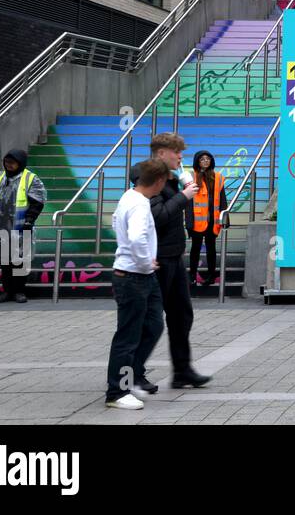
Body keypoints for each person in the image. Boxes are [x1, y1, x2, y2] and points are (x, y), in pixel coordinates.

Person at [130, 133, 211, 389]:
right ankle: (133, 372)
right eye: (177, 152)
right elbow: (157, 216)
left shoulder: (171, 179)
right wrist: (183, 196)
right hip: (157, 260)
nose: (181, 157)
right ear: (161, 153)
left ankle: (182, 370)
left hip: (174, 257)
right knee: (150, 320)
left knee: (182, 315)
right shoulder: (146, 177)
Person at [106, 158, 169, 410]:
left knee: (153, 324)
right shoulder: (139, 205)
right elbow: (136, 237)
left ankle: (129, 378)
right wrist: (145, 263)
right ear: (159, 181)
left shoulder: (130, 198)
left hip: (140, 276)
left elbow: (115, 223)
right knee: (128, 335)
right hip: (133, 275)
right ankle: (117, 391)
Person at [0, 149, 46, 304]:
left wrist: (29, 220)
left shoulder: (30, 179)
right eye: (7, 162)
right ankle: (7, 292)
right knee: (4, 262)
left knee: (19, 261)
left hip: (20, 228)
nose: (9, 165)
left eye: (12, 162)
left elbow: (37, 203)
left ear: (20, 163)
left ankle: (19, 291)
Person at [184, 150, 226, 288]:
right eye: (202, 159)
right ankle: (192, 276)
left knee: (211, 249)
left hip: (212, 221)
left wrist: (225, 216)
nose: (205, 161)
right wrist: (189, 221)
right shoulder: (191, 177)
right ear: (197, 161)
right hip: (197, 221)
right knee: (195, 248)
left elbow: (222, 200)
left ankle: (211, 276)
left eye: (208, 159)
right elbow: (188, 201)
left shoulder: (218, 177)